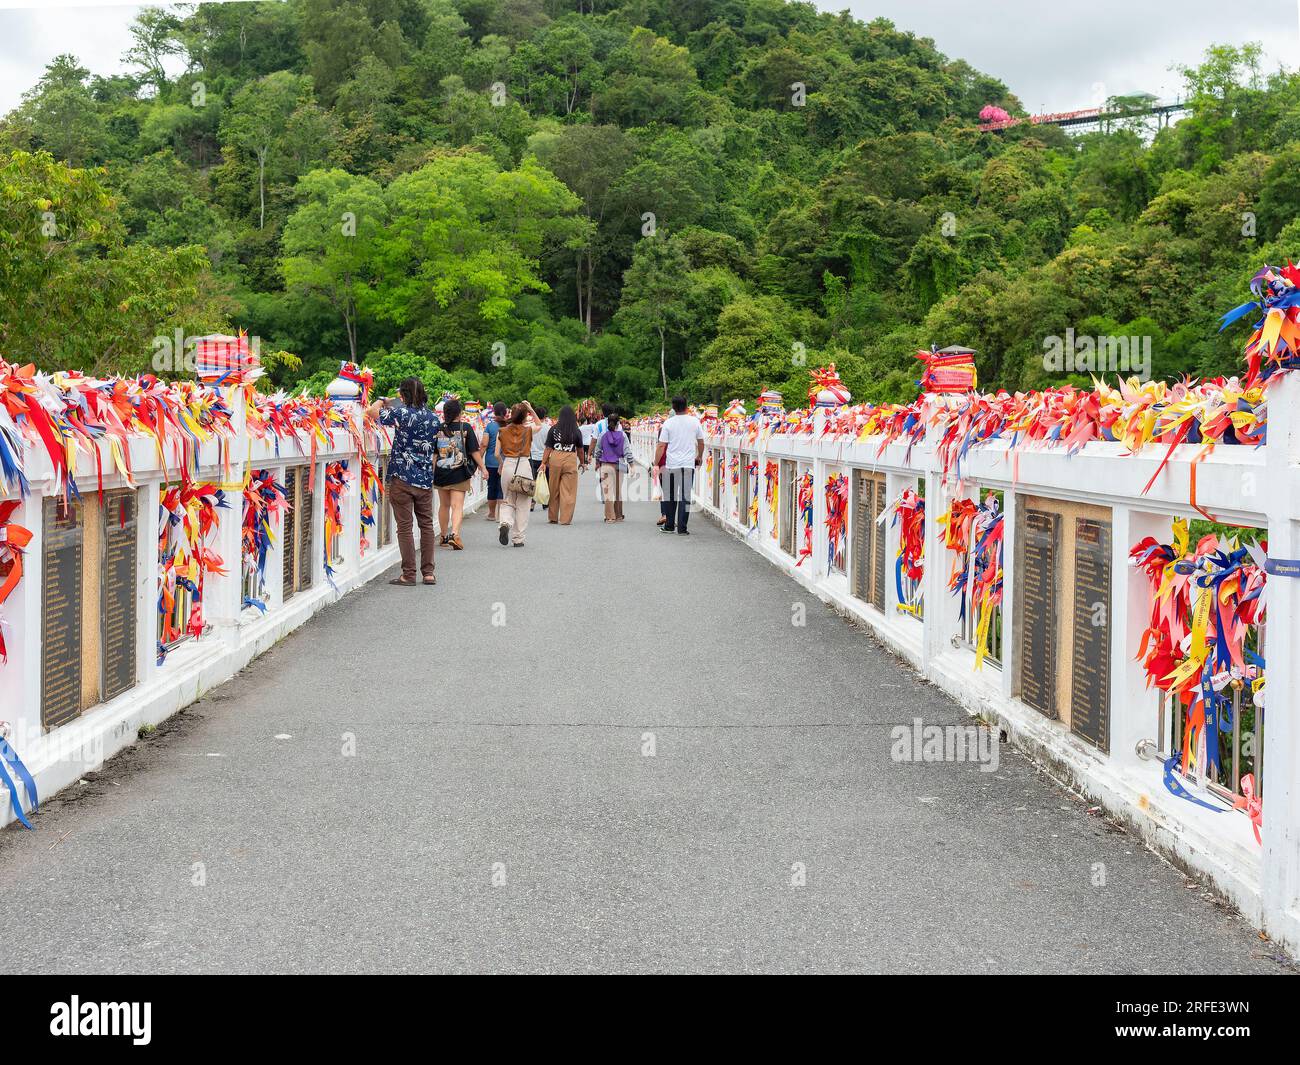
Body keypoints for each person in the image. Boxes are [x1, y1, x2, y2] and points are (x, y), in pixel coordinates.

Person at [369, 377, 439, 586]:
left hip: (402, 477)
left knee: (405, 526)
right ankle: (428, 573)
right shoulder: (434, 418)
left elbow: (372, 413)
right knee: (426, 525)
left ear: (404, 394)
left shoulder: (400, 413)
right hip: (425, 479)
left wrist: (382, 400)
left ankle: (409, 574)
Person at [434, 398, 486, 550]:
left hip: (441, 473)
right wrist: (483, 468)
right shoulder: (466, 428)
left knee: (444, 505)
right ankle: (455, 535)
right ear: (459, 413)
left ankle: (443, 536)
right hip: (459, 473)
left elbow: (435, 455)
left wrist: (431, 472)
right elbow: (474, 452)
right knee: (457, 506)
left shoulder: (438, 428)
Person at [655, 395, 704, 535]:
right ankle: (682, 528)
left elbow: (661, 445)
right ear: (686, 406)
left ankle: (669, 526)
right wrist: (699, 456)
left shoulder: (668, 424)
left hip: (672, 464)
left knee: (670, 495)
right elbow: (701, 441)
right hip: (688, 464)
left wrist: (656, 463)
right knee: (685, 496)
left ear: (673, 407)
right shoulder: (695, 422)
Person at [495, 401, 540, 546]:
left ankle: (505, 523)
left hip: (508, 464)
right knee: (523, 503)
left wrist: (501, 465)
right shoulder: (528, 430)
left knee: (508, 499)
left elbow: (496, 453)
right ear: (525, 417)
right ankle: (518, 538)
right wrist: (531, 409)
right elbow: (539, 424)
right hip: (524, 465)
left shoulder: (502, 431)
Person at [542, 405, 587, 525]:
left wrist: (543, 462)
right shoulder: (576, 431)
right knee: (569, 490)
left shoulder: (554, 429)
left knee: (553, 488)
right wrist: (582, 463)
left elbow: (548, 448)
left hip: (555, 459)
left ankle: (553, 517)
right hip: (570, 459)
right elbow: (580, 450)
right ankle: (565, 519)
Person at [594, 408, 626, 522]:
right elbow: (627, 451)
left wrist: (597, 461)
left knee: (607, 492)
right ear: (618, 423)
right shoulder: (623, 435)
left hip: (606, 464)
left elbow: (598, 450)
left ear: (607, 422)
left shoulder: (603, 435)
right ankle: (618, 515)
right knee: (618, 491)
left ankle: (609, 517)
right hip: (619, 465)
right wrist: (631, 464)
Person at [483, 401, 504, 522]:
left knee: (492, 487)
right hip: (505, 461)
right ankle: (500, 514)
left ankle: (491, 513)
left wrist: (478, 459)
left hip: (491, 461)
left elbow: (484, 444)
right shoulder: (507, 426)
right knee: (502, 488)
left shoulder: (490, 426)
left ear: (494, 412)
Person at [528, 404, 550, 512]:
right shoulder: (548, 428)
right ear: (545, 416)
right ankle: (545, 502)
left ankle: (532, 503)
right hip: (544, 458)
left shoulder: (531, 427)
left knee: (532, 481)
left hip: (532, 457)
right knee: (545, 480)